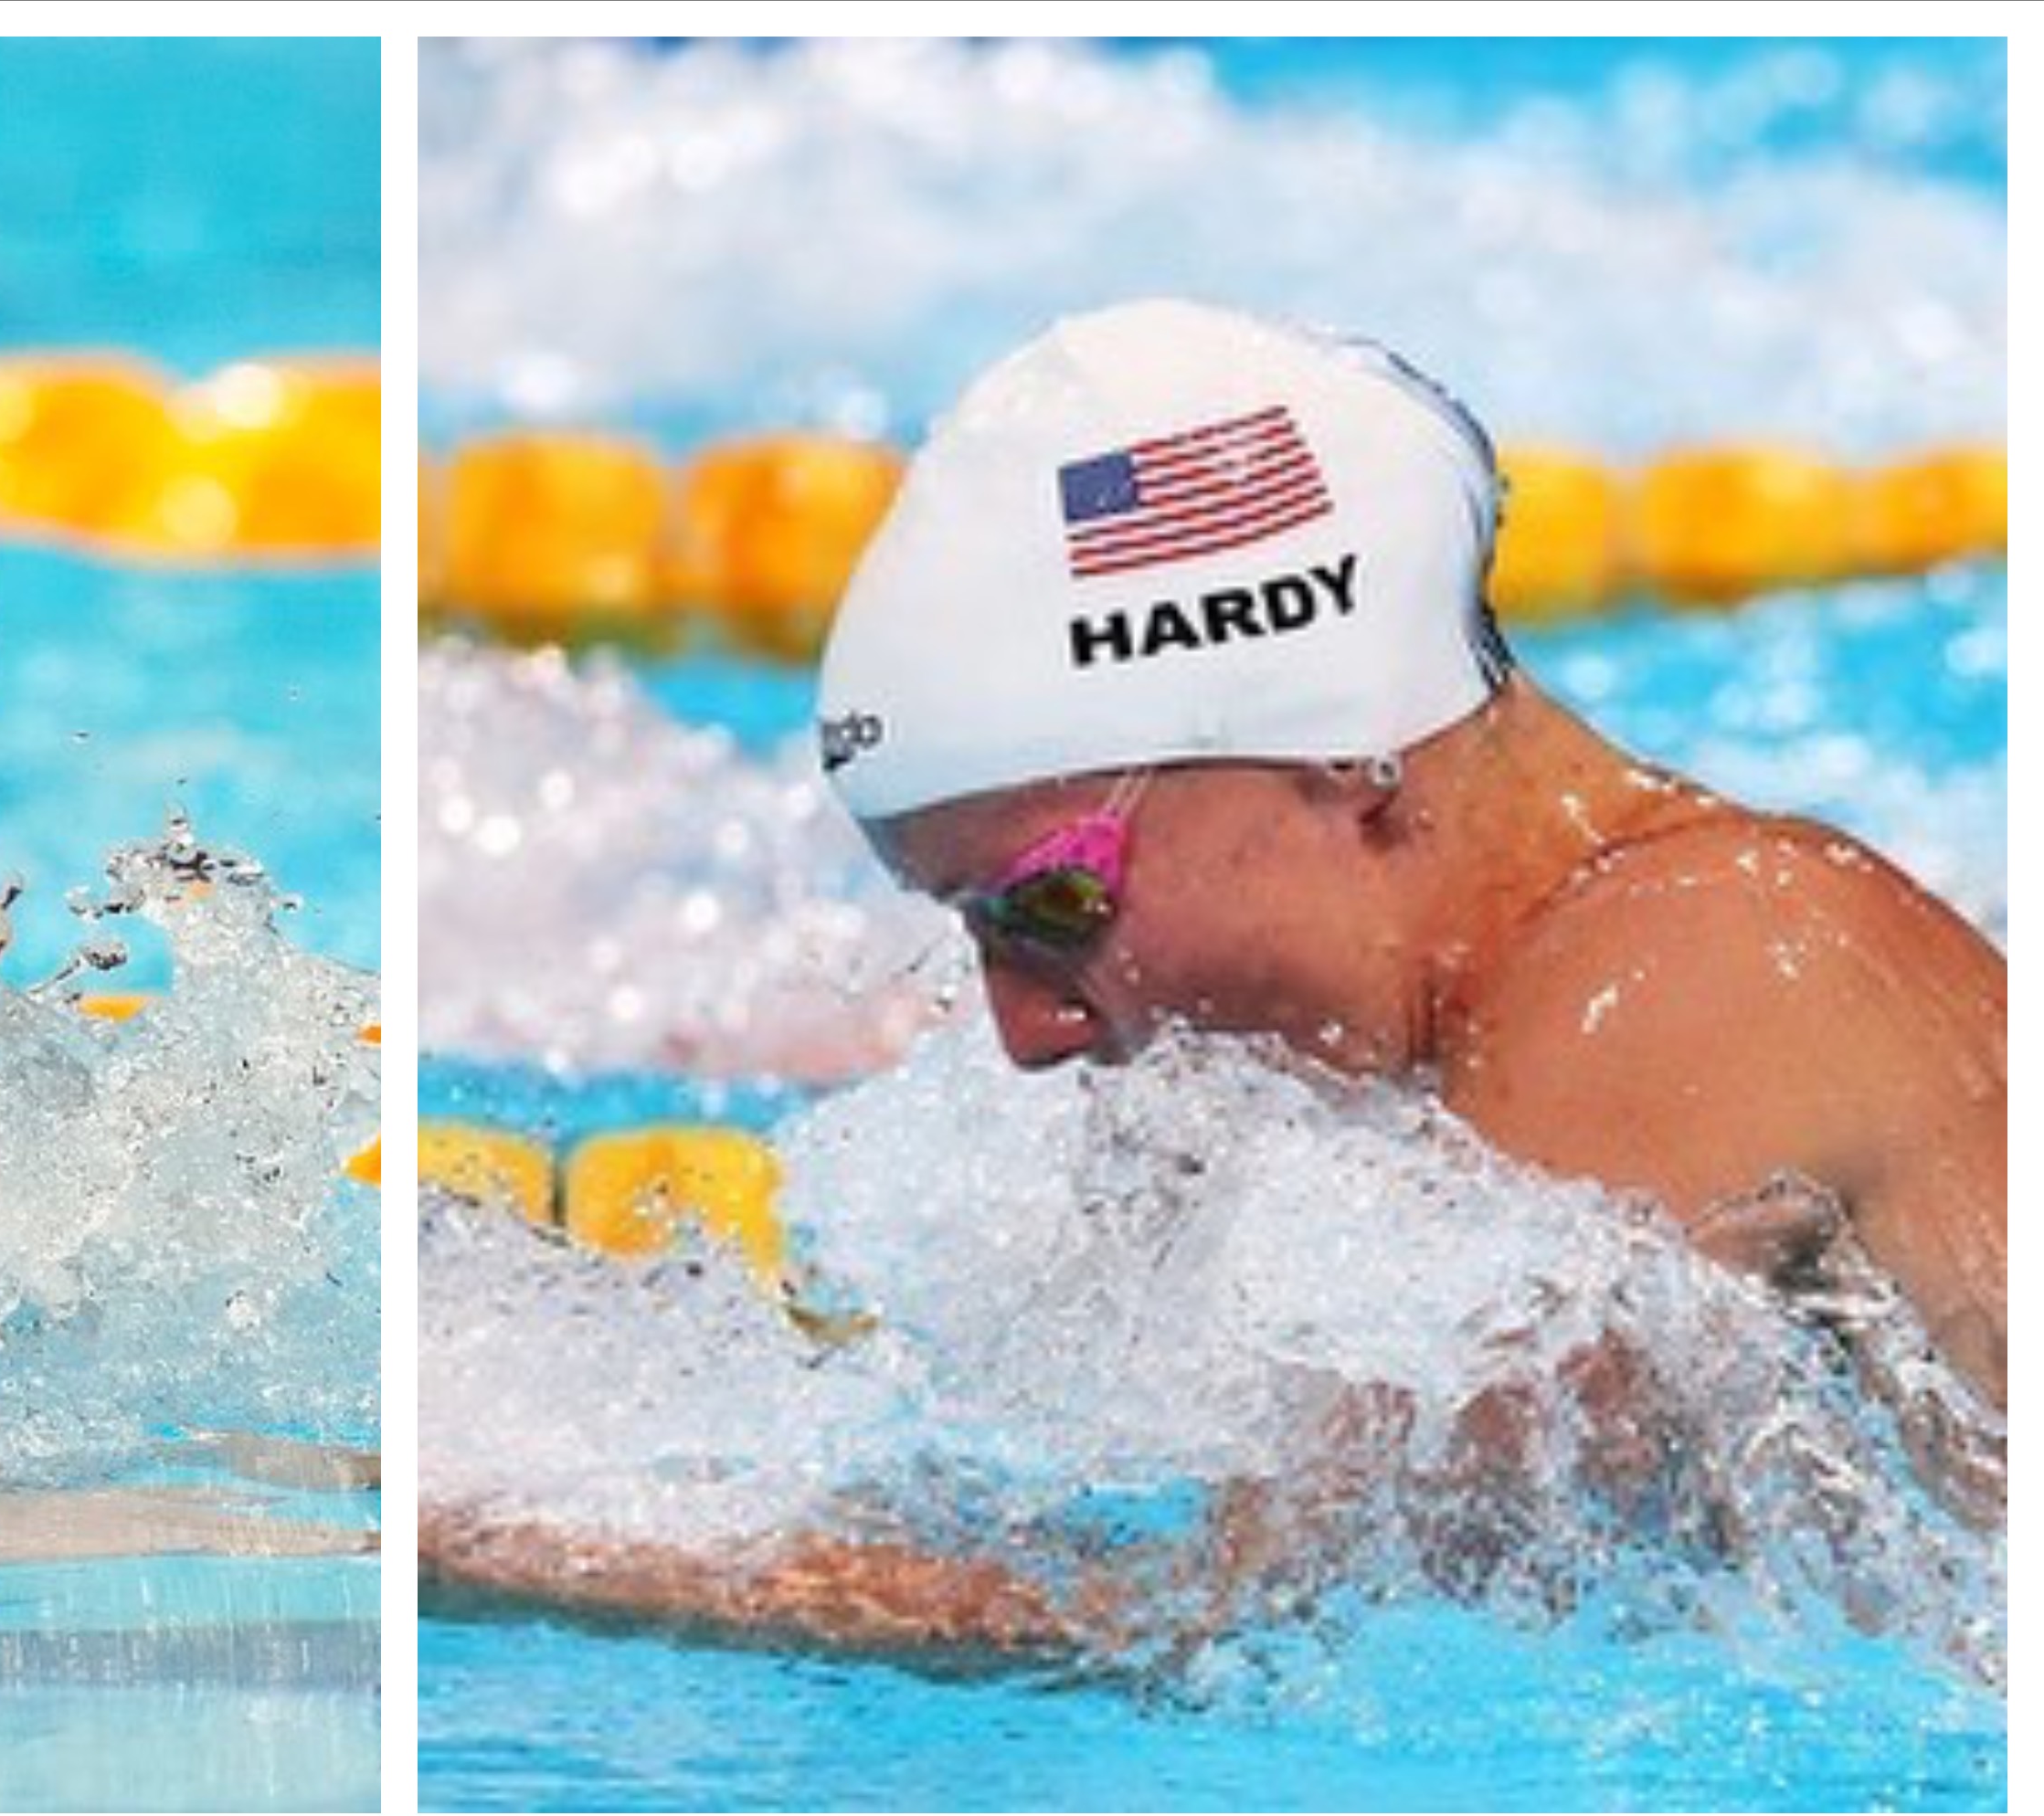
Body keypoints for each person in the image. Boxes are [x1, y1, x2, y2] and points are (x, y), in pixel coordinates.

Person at [428, 298, 2004, 1650]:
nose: (1028, 1028)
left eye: (1050, 905)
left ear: (1334, 748)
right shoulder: (1559, 991)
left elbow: (1286, 1613)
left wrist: (549, 1540)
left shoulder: (1691, 969)